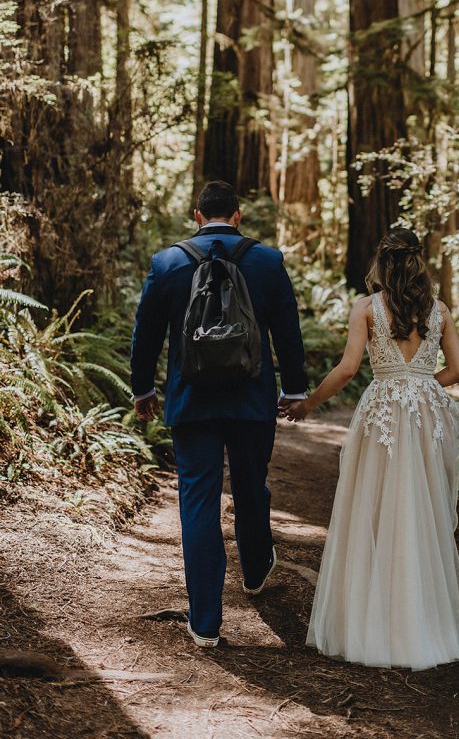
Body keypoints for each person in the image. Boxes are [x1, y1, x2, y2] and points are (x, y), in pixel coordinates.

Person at [279, 227, 459, 671]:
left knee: (374, 505)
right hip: (424, 415)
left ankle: (373, 620)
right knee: (419, 508)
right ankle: (422, 626)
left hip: (382, 411)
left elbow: (348, 370)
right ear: (418, 262)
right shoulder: (439, 311)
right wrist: (424, 385)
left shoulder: (366, 308)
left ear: (381, 263)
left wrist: (308, 404)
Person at [131, 181, 307, 648]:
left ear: (196, 215)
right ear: (238, 214)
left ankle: (205, 621)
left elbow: (146, 333)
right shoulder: (267, 261)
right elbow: (287, 332)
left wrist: (143, 389)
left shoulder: (167, 262)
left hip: (192, 403)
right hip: (252, 402)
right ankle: (255, 569)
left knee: (198, 502)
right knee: (251, 486)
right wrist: (293, 389)